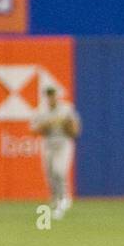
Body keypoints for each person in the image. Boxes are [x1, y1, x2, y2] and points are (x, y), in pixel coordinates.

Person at [30, 85, 81, 219]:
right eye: (49, 95)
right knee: (50, 173)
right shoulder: (41, 111)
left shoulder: (66, 109)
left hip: (63, 143)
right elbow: (34, 130)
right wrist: (48, 124)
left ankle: (64, 198)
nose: (51, 97)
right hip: (48, 144)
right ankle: (55, 198)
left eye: (53, 94)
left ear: (57, 96)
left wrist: (67, 124)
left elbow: (75, 130)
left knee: (59, 170)